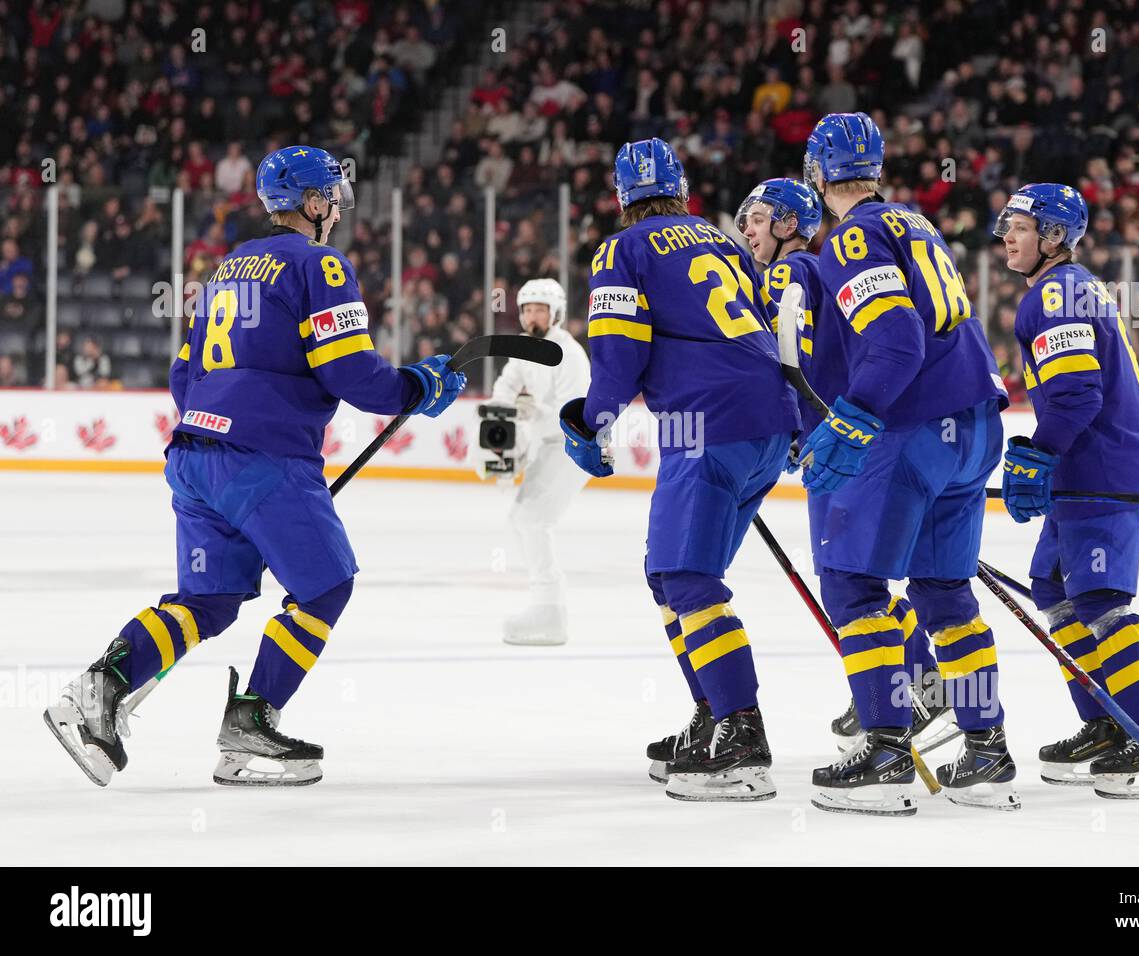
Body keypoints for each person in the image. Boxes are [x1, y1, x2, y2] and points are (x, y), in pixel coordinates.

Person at [44, 146, 465, 789]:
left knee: (206, 600)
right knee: (325, 588)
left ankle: (97, 688)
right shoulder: (319, 264)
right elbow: (352, 371)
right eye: (332, 197)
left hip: (193, 456)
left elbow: (184, 375)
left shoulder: (226, 269)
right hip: (261, 462)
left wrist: (222, 436)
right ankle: (249, 727)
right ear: (313, 202)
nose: (337, 211)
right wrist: (416, 386)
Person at [559, 137, 799, 801]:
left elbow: (618, 354)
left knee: (687, 577)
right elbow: (770, 330)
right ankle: (713, 715)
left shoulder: (622, 250)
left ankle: (741, 734)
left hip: (709, 428)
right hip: (766, 423)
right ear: (682, 190)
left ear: (620, 197)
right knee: (667, 572)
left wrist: (591, 421)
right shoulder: (723, 241)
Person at [800, 113, 1012, 815]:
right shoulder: (913, 222)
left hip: (916, 425)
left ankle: (886, 747)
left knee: (853, 584)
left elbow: (895, 341)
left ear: (819, 173)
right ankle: (986, 748)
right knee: (945, 595)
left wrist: (853, 415)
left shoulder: (853, 235)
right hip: (976, 420)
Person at [736, 176, 950, 752]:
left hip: (838, 440)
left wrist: (787, 423)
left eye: (758, 219)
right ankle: (917, 687)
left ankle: (899, 700)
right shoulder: (817, 266)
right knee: (859, 582)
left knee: (850, 584)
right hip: (842, 432)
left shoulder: (791, 271)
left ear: (787, 224)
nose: (747, 230)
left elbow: (784, 360)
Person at [996, 183, 1139, 799]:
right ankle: (1107, 720)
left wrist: (1040, 452)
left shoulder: (1055, 291)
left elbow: (1078, 392)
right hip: (1092, 469)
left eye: (1020, 228)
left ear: (1053, 237)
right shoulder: (1077, 287)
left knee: (1102, 603)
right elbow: (1127, 389)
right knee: (1052, 587)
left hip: (1100, 472)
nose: (1006, 237)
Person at [479, 277, 590, 645]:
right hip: (548, 443)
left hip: (573, 445)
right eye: (526, 309)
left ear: (555, 312)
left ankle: (550, 610)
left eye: (539, 308)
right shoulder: (523, 349)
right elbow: (504, 389)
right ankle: (547, 607)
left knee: (532, 519)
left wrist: (531, 411)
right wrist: (500, 419)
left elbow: (573, 412)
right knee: (524, 518)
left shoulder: (568, 354)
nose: (531, 316)